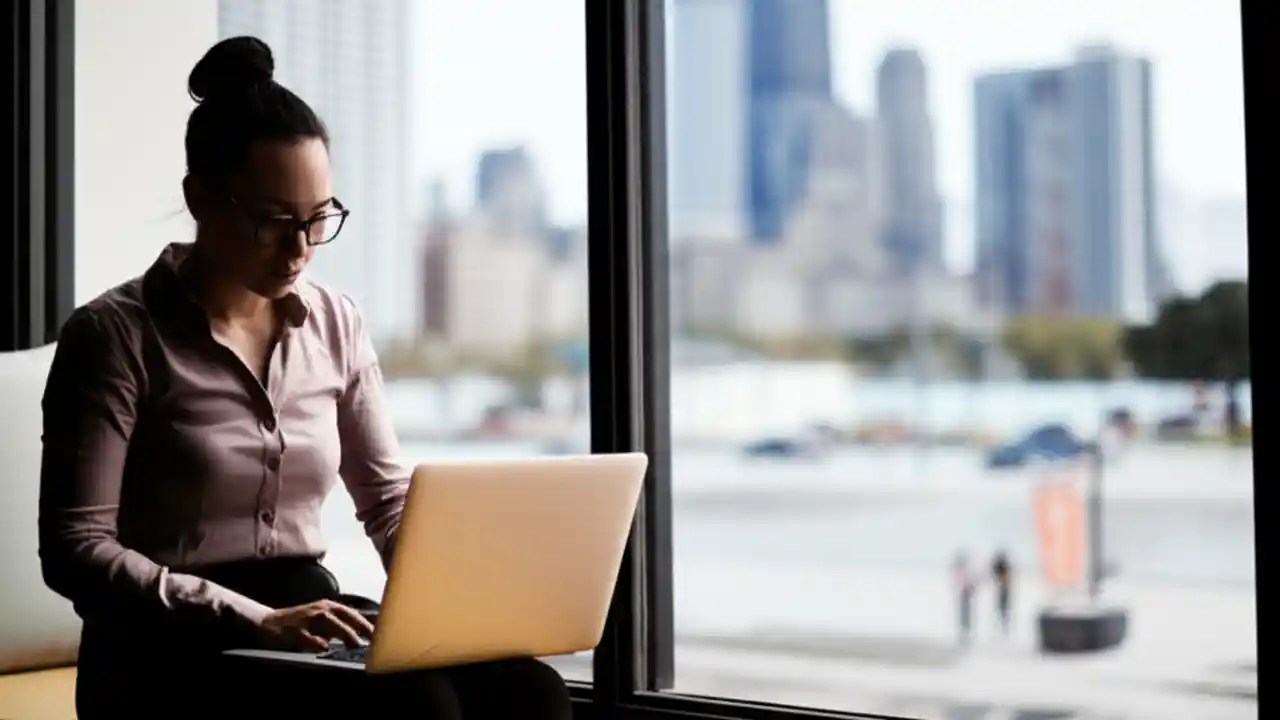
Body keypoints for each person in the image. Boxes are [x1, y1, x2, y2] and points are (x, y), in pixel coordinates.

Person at [37, 36, 571, 720]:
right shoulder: (115, 335)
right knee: (418, 706)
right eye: (272, 222)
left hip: (306, 617)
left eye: (319, 218)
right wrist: (251, 617)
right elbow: (75, 551)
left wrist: (458, 611)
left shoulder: (335, 322)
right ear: (201, 198)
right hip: (163, 645)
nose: (300, 250)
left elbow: (386, 499)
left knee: (531, 690)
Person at [952, 552, 976, 647]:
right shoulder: (960, 571)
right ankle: (963, 631)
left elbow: (970, 583)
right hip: (963, 595)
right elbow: (957, 583)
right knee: (963, 614)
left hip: (967, 596)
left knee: (966, 614)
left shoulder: (965, 571)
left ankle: (966, 631)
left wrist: (969, 588)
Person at [992, 550, 1013, 636]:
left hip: (1004, 588)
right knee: (1001, 606)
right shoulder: (1000, 565)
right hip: (1001, 587)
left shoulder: (1003, 565)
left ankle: (1004, 623)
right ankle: (1002, 623)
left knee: (1004, 606)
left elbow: (1008, 575)